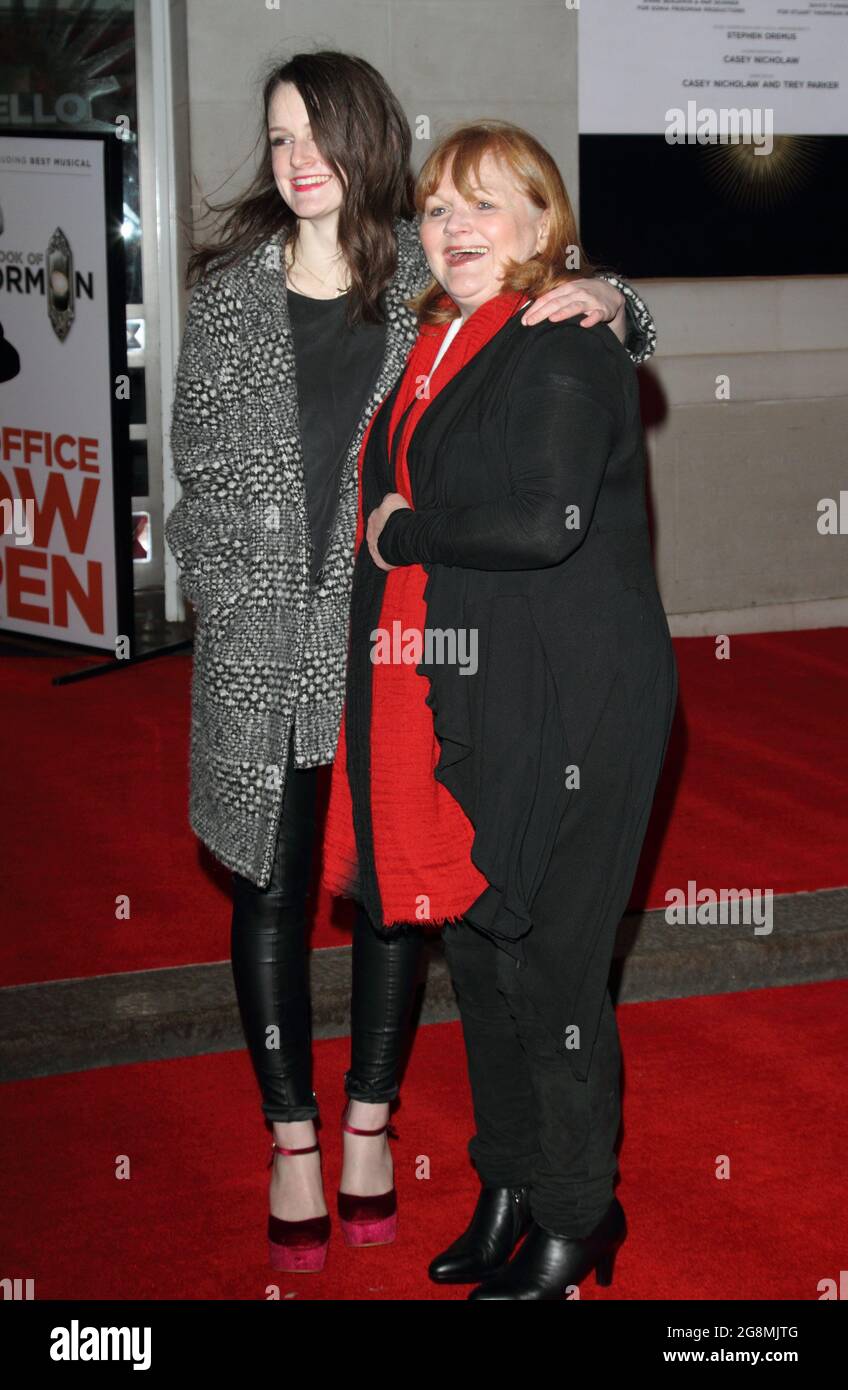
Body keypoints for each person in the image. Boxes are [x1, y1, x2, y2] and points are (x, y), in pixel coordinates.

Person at [165, 51, 658, 1275]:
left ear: (370, 143)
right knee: (274, 890)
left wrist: (611, 297)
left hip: (407, 660)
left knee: (402, 896)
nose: (295, 158)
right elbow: (201, 490)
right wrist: (246, 610)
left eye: (318, 131)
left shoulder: (417, 280)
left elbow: (563, 300)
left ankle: (375, 1129)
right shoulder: (231, 296)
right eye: (276, 136)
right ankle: (293, 1141)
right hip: (269, 651)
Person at [320, 118, 678, 1299]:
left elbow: (547, 523)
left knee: (553, 973)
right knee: (477, 961)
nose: (454, 228)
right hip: (472, 696)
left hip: (578, 708)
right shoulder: (435, 345)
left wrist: (407, 532)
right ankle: (509, 1185)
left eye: (485, 205)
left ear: (543, 229)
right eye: (436, 208)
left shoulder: (562, 340)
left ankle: (581, 1215)